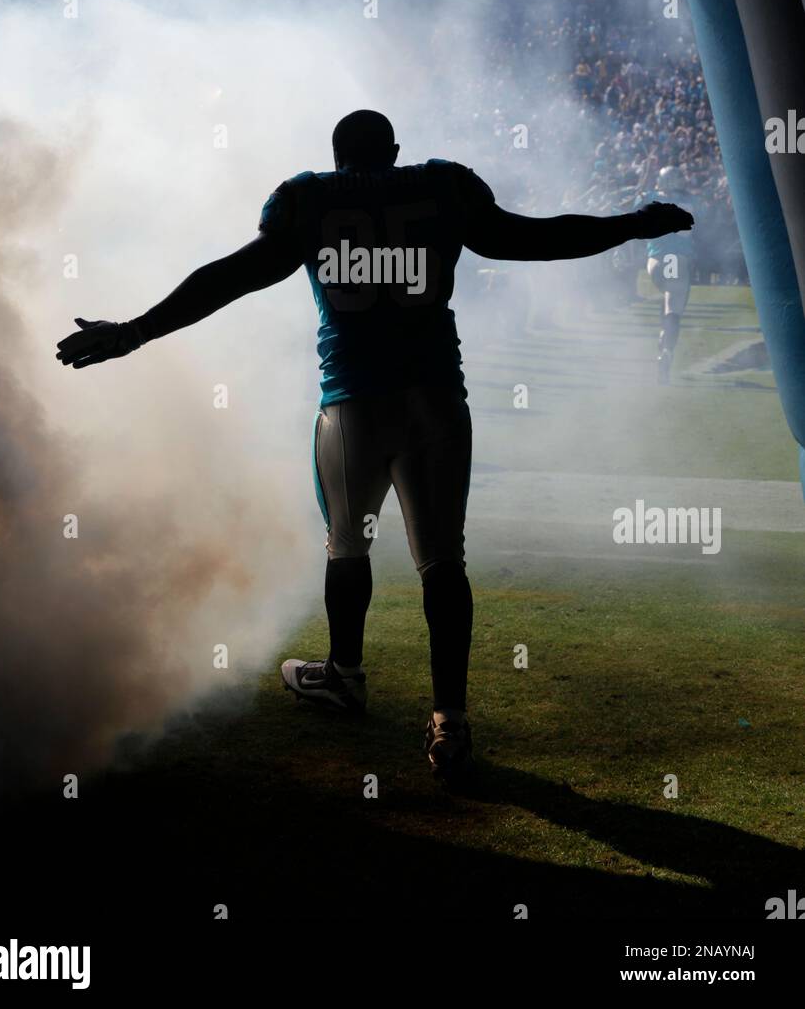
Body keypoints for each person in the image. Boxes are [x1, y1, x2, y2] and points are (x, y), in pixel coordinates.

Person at [56, 110, 693, 788]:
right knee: (444, 561)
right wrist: (630, 224)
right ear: (394, 151)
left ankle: (346, 675)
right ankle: (450, 718)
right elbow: (530, 239)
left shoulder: (309, 198)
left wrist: (134, 332)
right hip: (436, 401)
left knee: (345, 543)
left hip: (355, 405)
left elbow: (230, 277)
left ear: (335, 157)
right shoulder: (443, 187)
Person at [639, 166, 696, 384]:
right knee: (673, 309)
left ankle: (663, 340)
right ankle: (666, 351)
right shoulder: (691, 200)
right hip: (676, 258)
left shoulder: (650, 198)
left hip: (655, 261)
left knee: (666, 299)